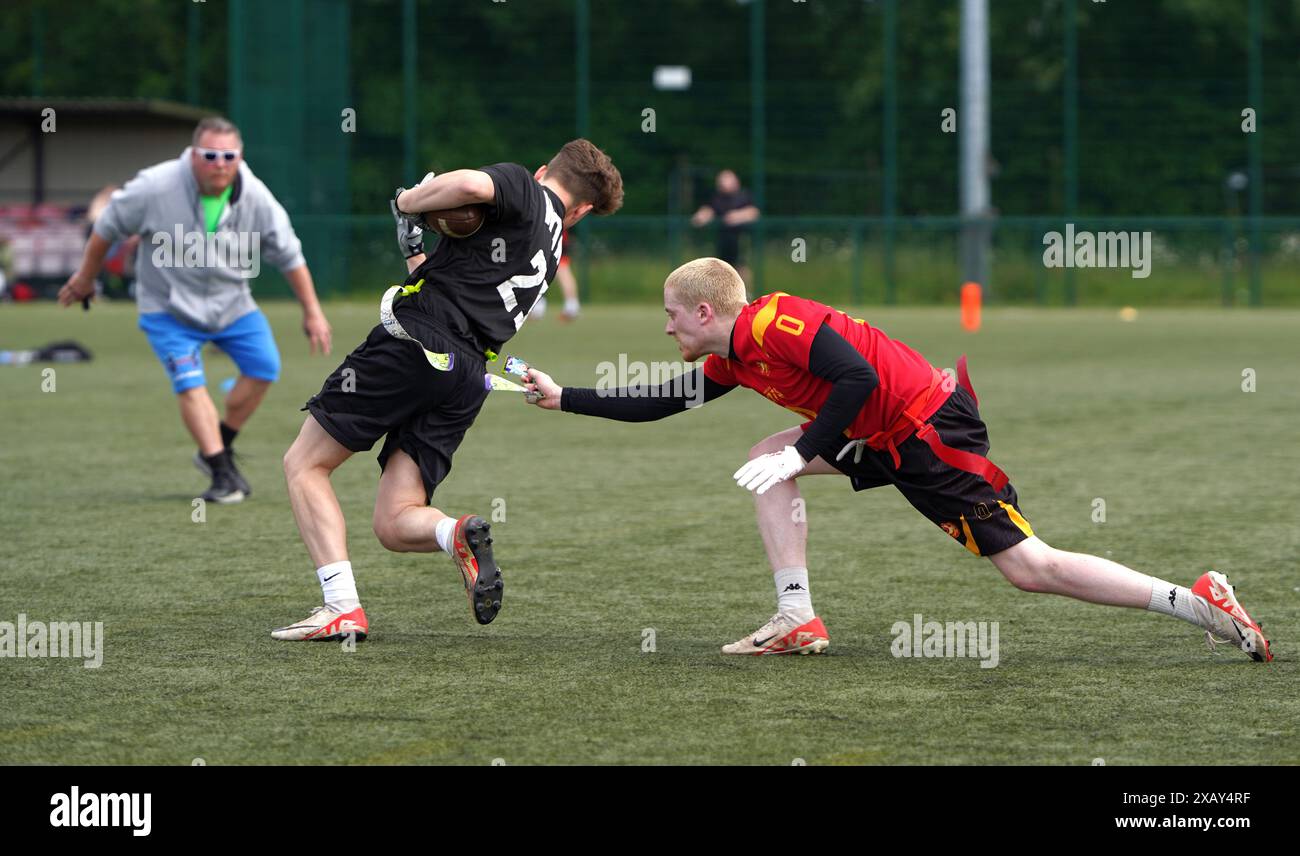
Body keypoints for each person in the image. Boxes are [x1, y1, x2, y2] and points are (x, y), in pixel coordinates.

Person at [521, 257, 1272, 661]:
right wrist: (566, 398)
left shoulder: (775, 322)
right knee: (765, 455)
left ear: (706, 312)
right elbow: (665, 398)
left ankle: (1199, 600)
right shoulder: (737, 357)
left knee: (1028, 569)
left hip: (926, 428)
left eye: (671, 314)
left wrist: (807, 452)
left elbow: (859, 378)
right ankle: (797, 617)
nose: (665, 327)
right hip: (885, 431)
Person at [271, 139, 623, 642]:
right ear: (584, 210)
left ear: (546, 169)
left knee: (304, 464)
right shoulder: (553, 246)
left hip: (417, 344)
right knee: (395, 522)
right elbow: (462, 285)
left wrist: (410, 201)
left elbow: (465, 185)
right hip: (467, 374)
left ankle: (340, 607)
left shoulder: (525, 187)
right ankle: (455, 532)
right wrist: (416, 253)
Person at [57, 117, 332, 503]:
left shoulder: (255, 195)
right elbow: (108, 224)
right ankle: (223, 474)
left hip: (232, 304)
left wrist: (313, 312)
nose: (219, 163)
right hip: (167, 308)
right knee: (190, 381)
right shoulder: (156, 186)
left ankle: (215, 448)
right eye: (210, 155)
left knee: (264, 367)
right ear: (193, 155)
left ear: (239, 158)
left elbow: (289, 255)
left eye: (228, 156)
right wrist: (86, 277)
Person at [690, 169, 759, 286]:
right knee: (721, 268)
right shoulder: (717, 198)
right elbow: (708, 210)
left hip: (739, 239)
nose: (723, 183)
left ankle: (746, 293)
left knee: (741, 267)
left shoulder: (743, 196)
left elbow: (753, 212)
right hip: (722, 240)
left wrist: (737, 216)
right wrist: (700, 217)